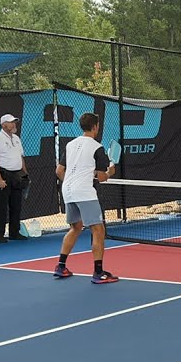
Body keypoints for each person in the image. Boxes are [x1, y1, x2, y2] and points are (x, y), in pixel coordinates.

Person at [54, 112, 118, 284]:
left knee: (75, 228)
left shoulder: (70, 145)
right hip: (84, 192)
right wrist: (111, 170)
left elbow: (59, 171)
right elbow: (102, 177)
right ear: (96, 127)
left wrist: (72, 183)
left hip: (67, 190)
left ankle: (61, 266)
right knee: (98, 230)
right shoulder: (97, 147)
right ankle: (98, 272)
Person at [0, 113, 29, 243]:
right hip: (4, 175)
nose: (13, 124)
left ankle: (14, 233)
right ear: (4, 124)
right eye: (11, 122)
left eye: (14, 122)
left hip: (17, 175)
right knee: (1, 206)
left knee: (16, 205)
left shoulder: (17, 138)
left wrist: (25, 174)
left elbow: (21, 157)